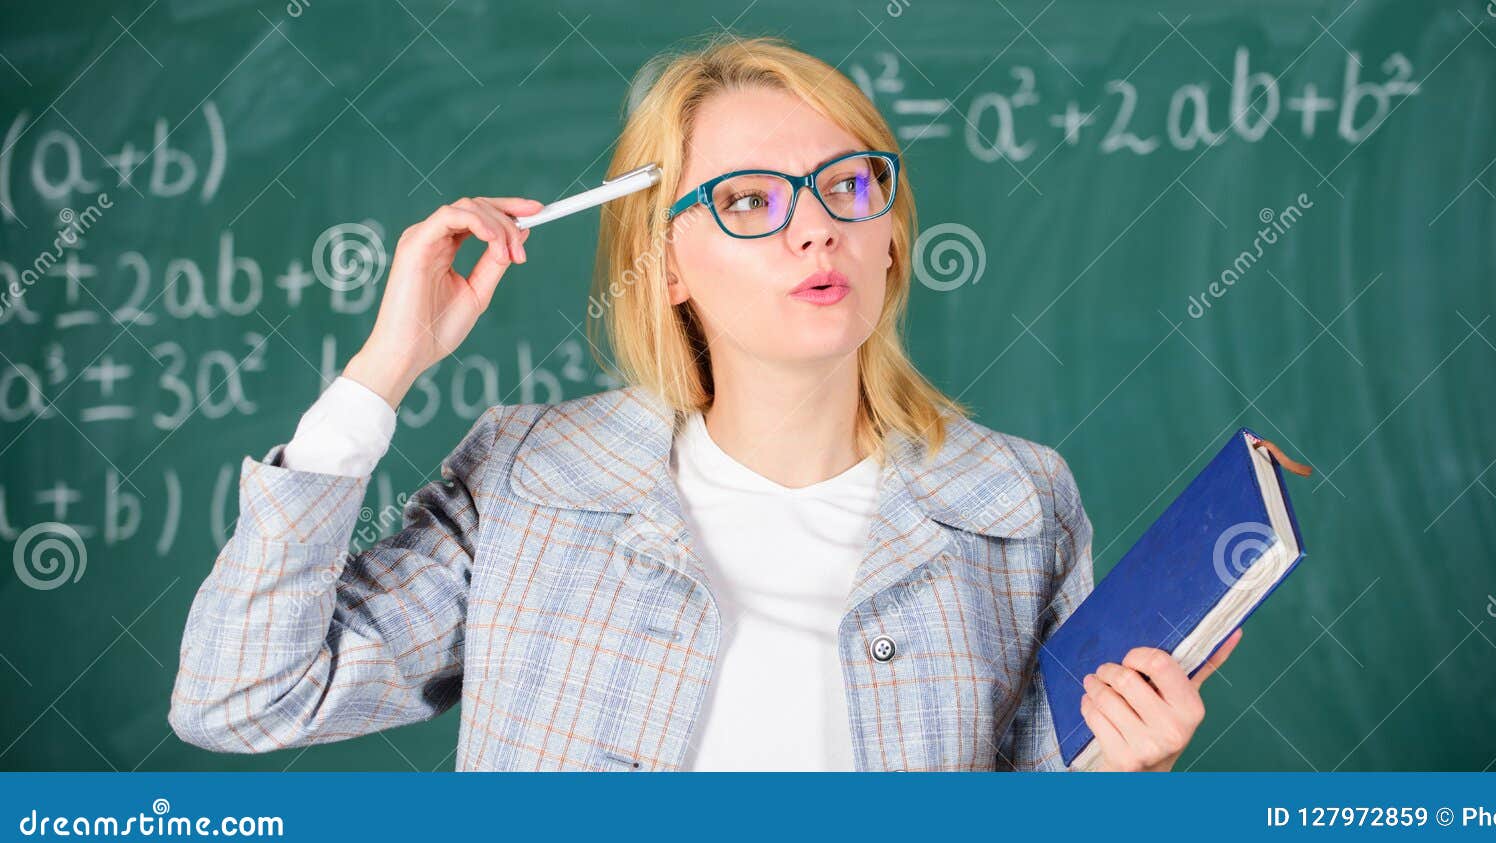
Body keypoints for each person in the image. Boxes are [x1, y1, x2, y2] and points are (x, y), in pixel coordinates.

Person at [168, 33, 1240, 772]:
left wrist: (1121, 774)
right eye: (749, 200)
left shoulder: (1010, 499)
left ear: (890, 233)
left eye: (848, 184)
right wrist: (383, 367)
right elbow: (242, 696)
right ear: (666, 263)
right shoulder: (532, 477)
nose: (814, 228)